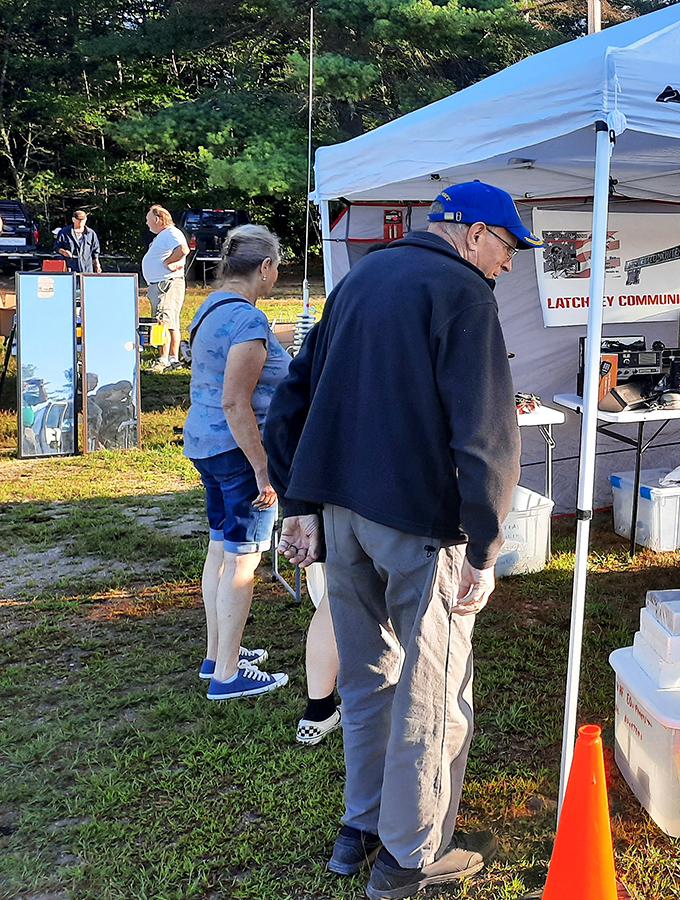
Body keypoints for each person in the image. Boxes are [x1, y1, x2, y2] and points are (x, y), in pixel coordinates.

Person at [264, 181, 544, 899]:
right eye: (507, 246)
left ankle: (360, 828)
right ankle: (408, 859)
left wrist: (299, 501)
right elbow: (486, 434)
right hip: (419, 525)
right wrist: (485, 548)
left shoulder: (364, 276)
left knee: (367, 681)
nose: (508, 264)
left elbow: (296, 393)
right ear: (473, 232)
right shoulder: (462, 292)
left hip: (343, 516)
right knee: (435, 695)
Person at [183, 224, 291, 700]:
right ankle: (228, 675)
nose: (276, 277)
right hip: (237, 450)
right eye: (276, 268)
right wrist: (263, 468)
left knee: (220, 549)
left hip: (204, 442)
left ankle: (216, 655)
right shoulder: (248, 321)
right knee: (244, 559)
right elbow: (236, 402)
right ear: (264, 268)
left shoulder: (210, 305)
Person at [142, 205, 189, 373]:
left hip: (165, 284)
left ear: (157, 219)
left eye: (148, 220)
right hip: (165, 283)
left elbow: (183, 249)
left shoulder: (171, 233)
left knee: (162, 321)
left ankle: (163, 360)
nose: (147, 224)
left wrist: (168, 263)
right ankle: (172, 358)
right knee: (171, 323)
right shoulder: (166, 234)